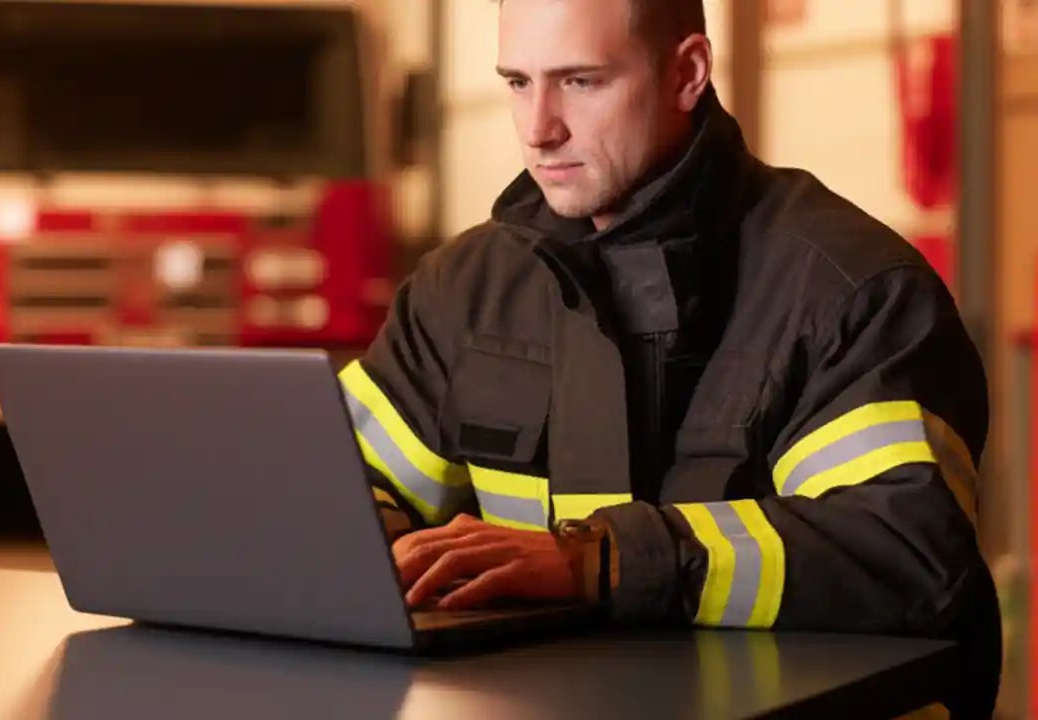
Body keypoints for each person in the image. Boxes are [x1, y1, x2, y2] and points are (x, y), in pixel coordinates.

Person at [337, 0, 1000, 716]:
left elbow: (900, 552)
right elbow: (338, 483)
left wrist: (602, 562)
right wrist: (373, 546)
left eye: (581, 82)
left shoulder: (849, 293)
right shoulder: (461, 292)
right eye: (518, 83)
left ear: (687, 73)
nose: (539, 129)